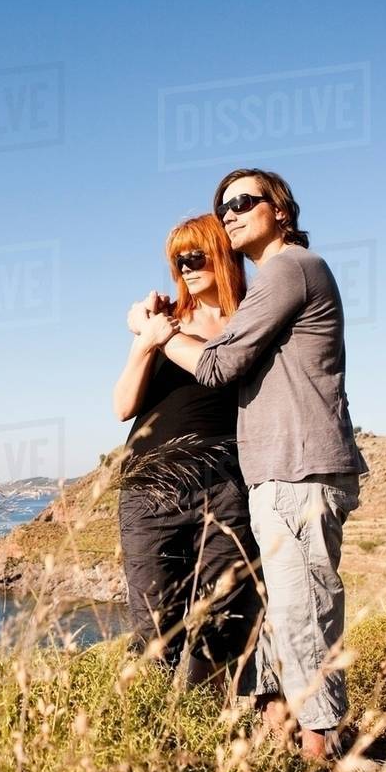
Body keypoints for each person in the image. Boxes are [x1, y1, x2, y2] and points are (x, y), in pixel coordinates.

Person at [128, 169, 367, 760]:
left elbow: (217, 367)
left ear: (280, 210)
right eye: (222, 205)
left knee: (302, 612)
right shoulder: (271, 283)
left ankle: (318, 754)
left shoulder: (287, 269)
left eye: (243, 201)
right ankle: (273, 739)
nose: (229, 212)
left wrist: (151, 333)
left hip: (297, 468)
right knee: (277, 615)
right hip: (269, 476)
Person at [113, 213, 262, 688]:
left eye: (196, 254)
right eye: (178, 259)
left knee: (222, 620)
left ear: (224, 253)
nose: (187, 265)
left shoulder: (253, 321)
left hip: (224, 486)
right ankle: (153, 740)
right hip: (149, 488)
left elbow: (223, 367)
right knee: (155, 628)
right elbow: (122, 407)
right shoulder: (165, 322)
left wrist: (163, 334)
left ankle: (200, 734)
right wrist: (145, 341)